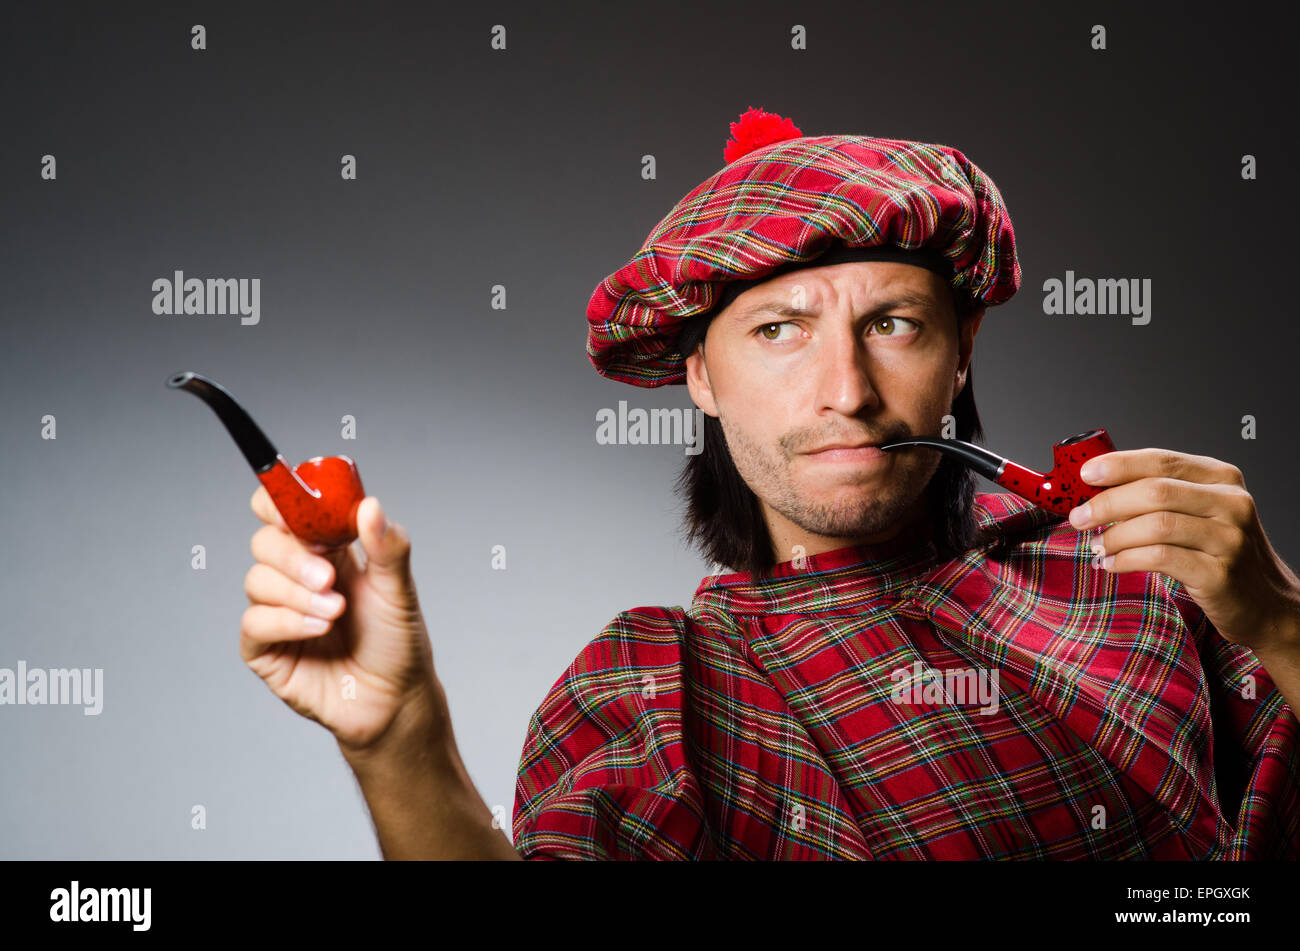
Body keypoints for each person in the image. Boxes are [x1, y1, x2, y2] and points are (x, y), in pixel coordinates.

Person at [240, 108, 1300, 859]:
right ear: (699, 374)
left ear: (961, 349)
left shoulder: (1149, 580)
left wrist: (1283, 624)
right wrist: (400, 742)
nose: (846, 390)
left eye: (892, 324)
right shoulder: (657, 689)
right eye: (779, 331)